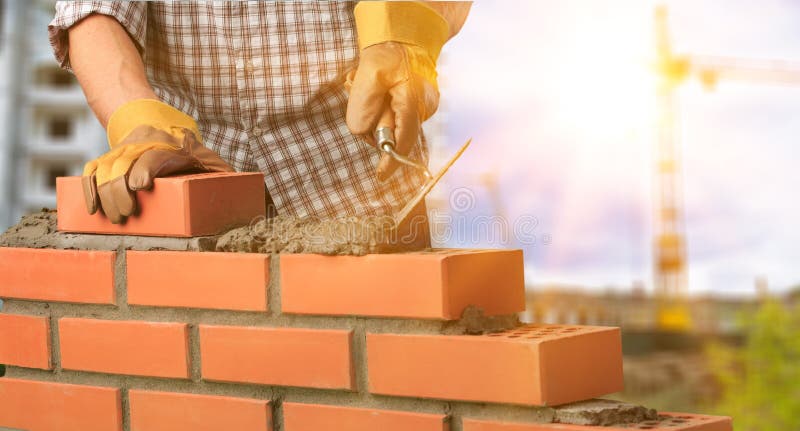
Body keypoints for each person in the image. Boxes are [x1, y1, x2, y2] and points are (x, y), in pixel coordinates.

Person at [48, 2, 470, 246]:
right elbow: (92, 10)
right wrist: (139, 118)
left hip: (361, 187)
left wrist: (402, 37)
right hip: (188, 182)